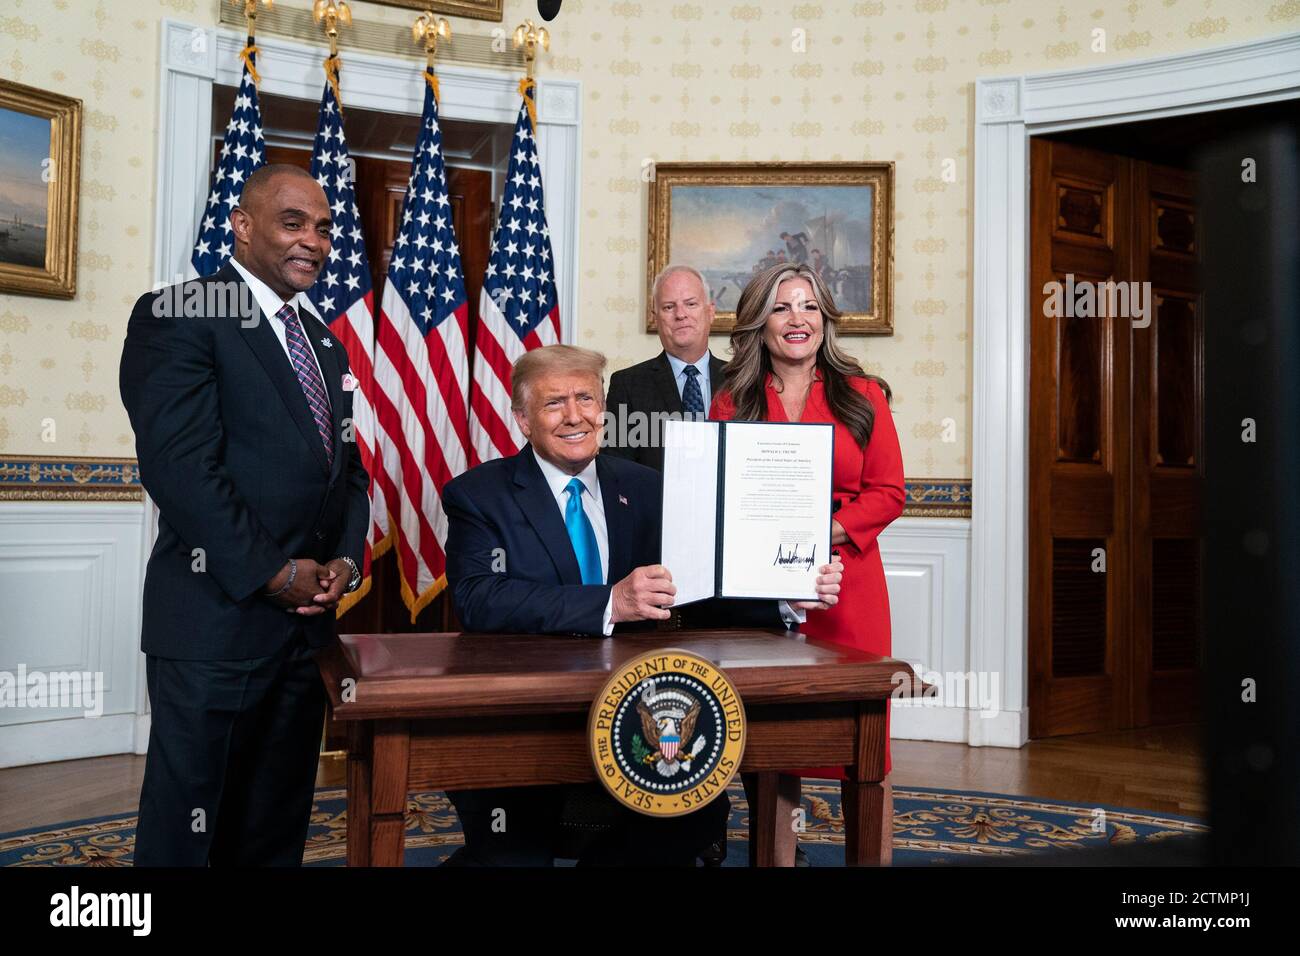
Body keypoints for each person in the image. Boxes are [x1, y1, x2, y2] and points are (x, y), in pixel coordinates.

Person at [441, 344, 843, 865]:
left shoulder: (646, 487)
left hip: (633, 719)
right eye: (554, 403)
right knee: (512, 849)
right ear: (522, 418)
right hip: (524, 725)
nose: (574, 415)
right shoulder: (479, 494)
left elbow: (693, 589)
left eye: (586, 397)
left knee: (693, 817)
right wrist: (610, 601)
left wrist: (782, 600)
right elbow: (479, 599)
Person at [120, 164, 371, 866]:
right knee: (189, 832)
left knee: (273, 826)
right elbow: (180, 471)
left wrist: (343, 563)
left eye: (324, 228)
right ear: (243, 225)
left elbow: (349, 472)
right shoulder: (180, 314)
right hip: (214, 623)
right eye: (294, 223)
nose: (314, 241)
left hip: (304, 634)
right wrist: (272, 572)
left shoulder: (324, 341)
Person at [709, 262, 905, 862]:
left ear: (825, 320)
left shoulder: (864, 394)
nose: (798, 319)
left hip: (849, 587)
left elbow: (890, 492)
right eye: (782, 307)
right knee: (777, 746)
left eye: (810, 307)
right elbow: (724, 495)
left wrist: (822, 531)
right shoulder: (732, 399)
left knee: (864, 746)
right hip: (766, 591)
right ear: (758, 324)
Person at [603, 265, 725, 473]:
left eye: (691, 304)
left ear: (710, 312)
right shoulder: (627, 385)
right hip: (653, 504)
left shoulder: (742, 379)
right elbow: (616, 469)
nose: (681, 314)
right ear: (655, 317)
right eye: (669, 307)